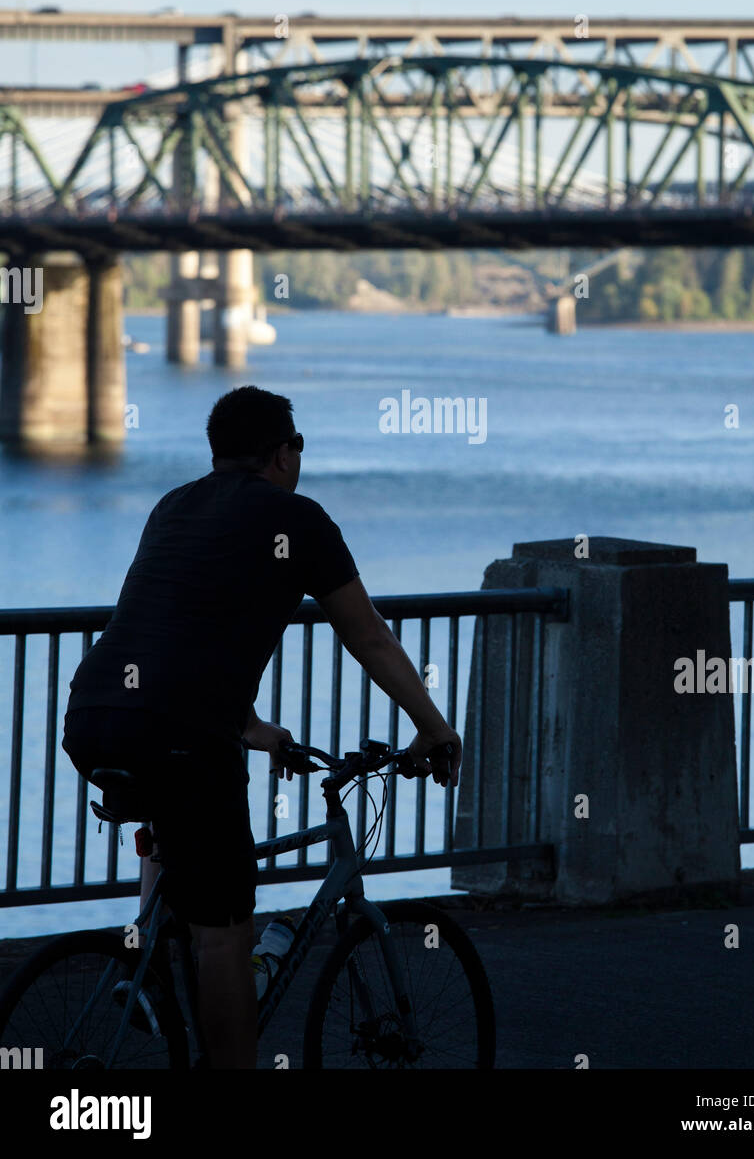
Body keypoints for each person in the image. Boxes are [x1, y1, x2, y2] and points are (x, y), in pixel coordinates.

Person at [61, 384, 462, 1070]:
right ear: (284, 453)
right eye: (296, 448)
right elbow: (369, 638)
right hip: (180, 734)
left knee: (173, 823)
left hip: (93, 712)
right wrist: (434, 729)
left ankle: (145, 963)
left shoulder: (172, 507)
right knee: (224, 933)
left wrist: (251, 728)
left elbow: (167, 635)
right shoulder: (299, 521)